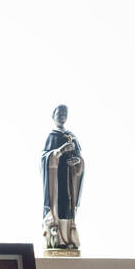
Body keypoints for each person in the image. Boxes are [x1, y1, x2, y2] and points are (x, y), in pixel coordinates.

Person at [41, 104, 84, 251]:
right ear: (53, 116)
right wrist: (59, 151)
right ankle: (56, 239)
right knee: (58, 208)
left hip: (69, 180)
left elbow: (80, 158)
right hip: (56, 181)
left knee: (67, 209)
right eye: (59, 113)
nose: (62, 115)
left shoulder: (72, 137)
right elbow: (45, 158)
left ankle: (68, 238)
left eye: (65, 113)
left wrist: (77, 162)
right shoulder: (52, 136)